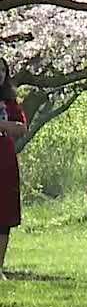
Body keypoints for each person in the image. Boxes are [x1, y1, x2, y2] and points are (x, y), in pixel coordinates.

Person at [0, 57, 27, 279]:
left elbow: (21, 127)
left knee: (4, 213)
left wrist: (3, 125)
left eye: (2, 70)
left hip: (5, 160)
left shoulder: (10, 102)